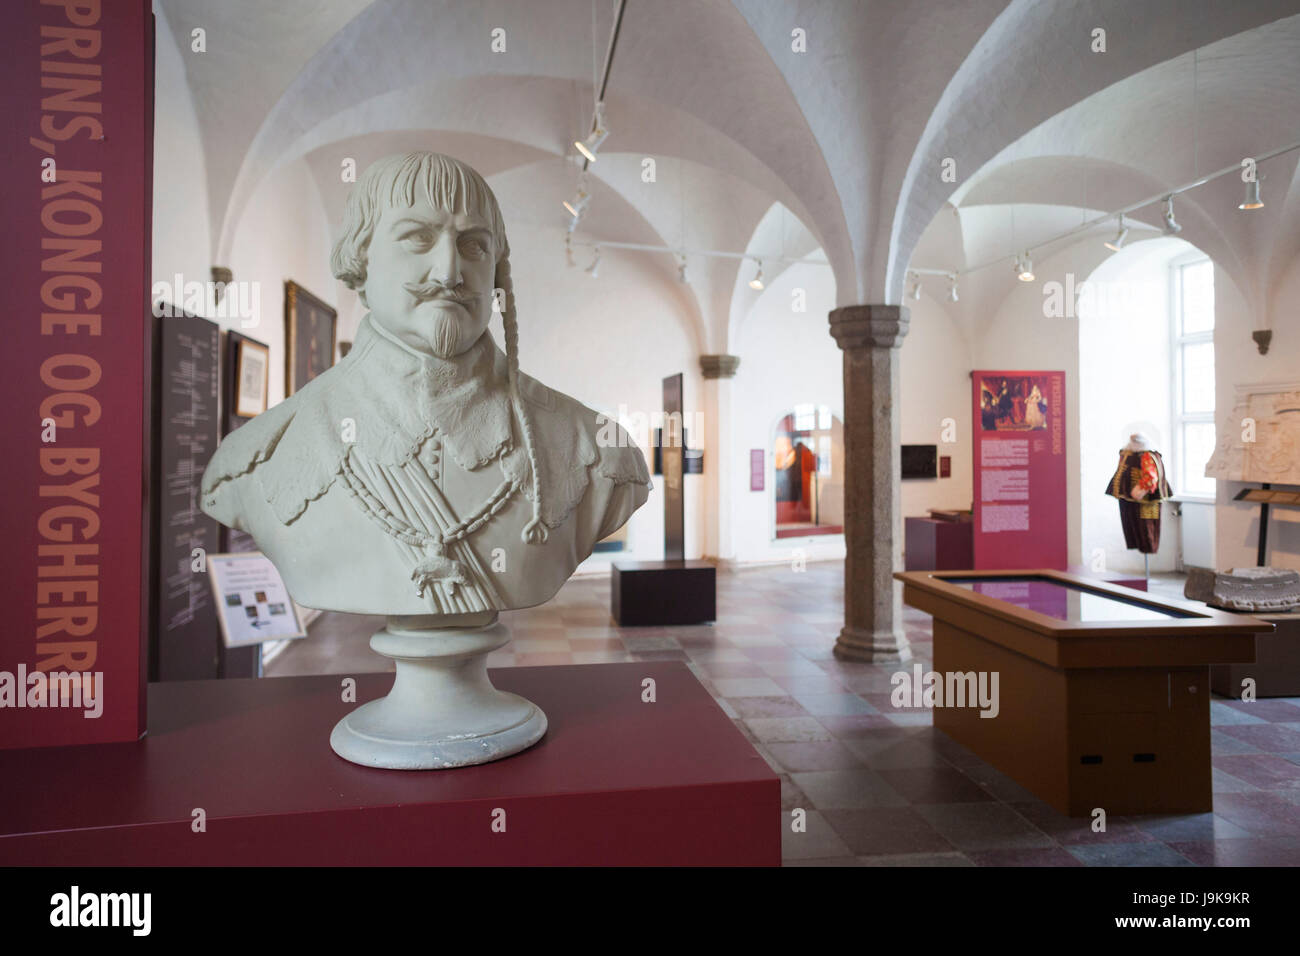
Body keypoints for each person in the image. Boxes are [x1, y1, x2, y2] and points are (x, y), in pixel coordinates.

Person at [201, 152, 651, 615]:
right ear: (360, 259)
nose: (449, 273)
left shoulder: (597, 449)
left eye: (474, 245)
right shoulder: (254, 460)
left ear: (497, 271)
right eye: (418, 237)